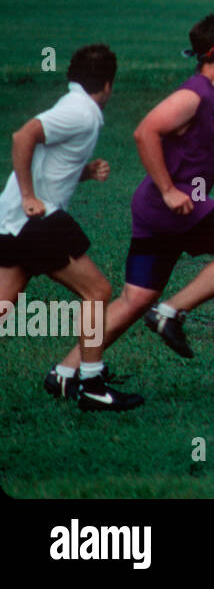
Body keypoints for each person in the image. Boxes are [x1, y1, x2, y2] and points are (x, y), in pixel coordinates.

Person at [57, 12, 214, 377]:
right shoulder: (193, 95)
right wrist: (169, 191)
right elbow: (145, 132)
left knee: (134, 299)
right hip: (175, 206)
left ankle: (65, 371)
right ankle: (170, 312)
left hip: (166, 209)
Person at [1, 45, 144, 411]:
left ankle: (74, 378)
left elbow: (50, 163)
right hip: (36, 221)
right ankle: (92, 383)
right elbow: (22, 137)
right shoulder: (82, 112)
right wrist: (31, 197)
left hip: (13, 220)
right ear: (108, 85)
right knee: (98, 291)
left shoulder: (73, 105)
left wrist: (84, 172)